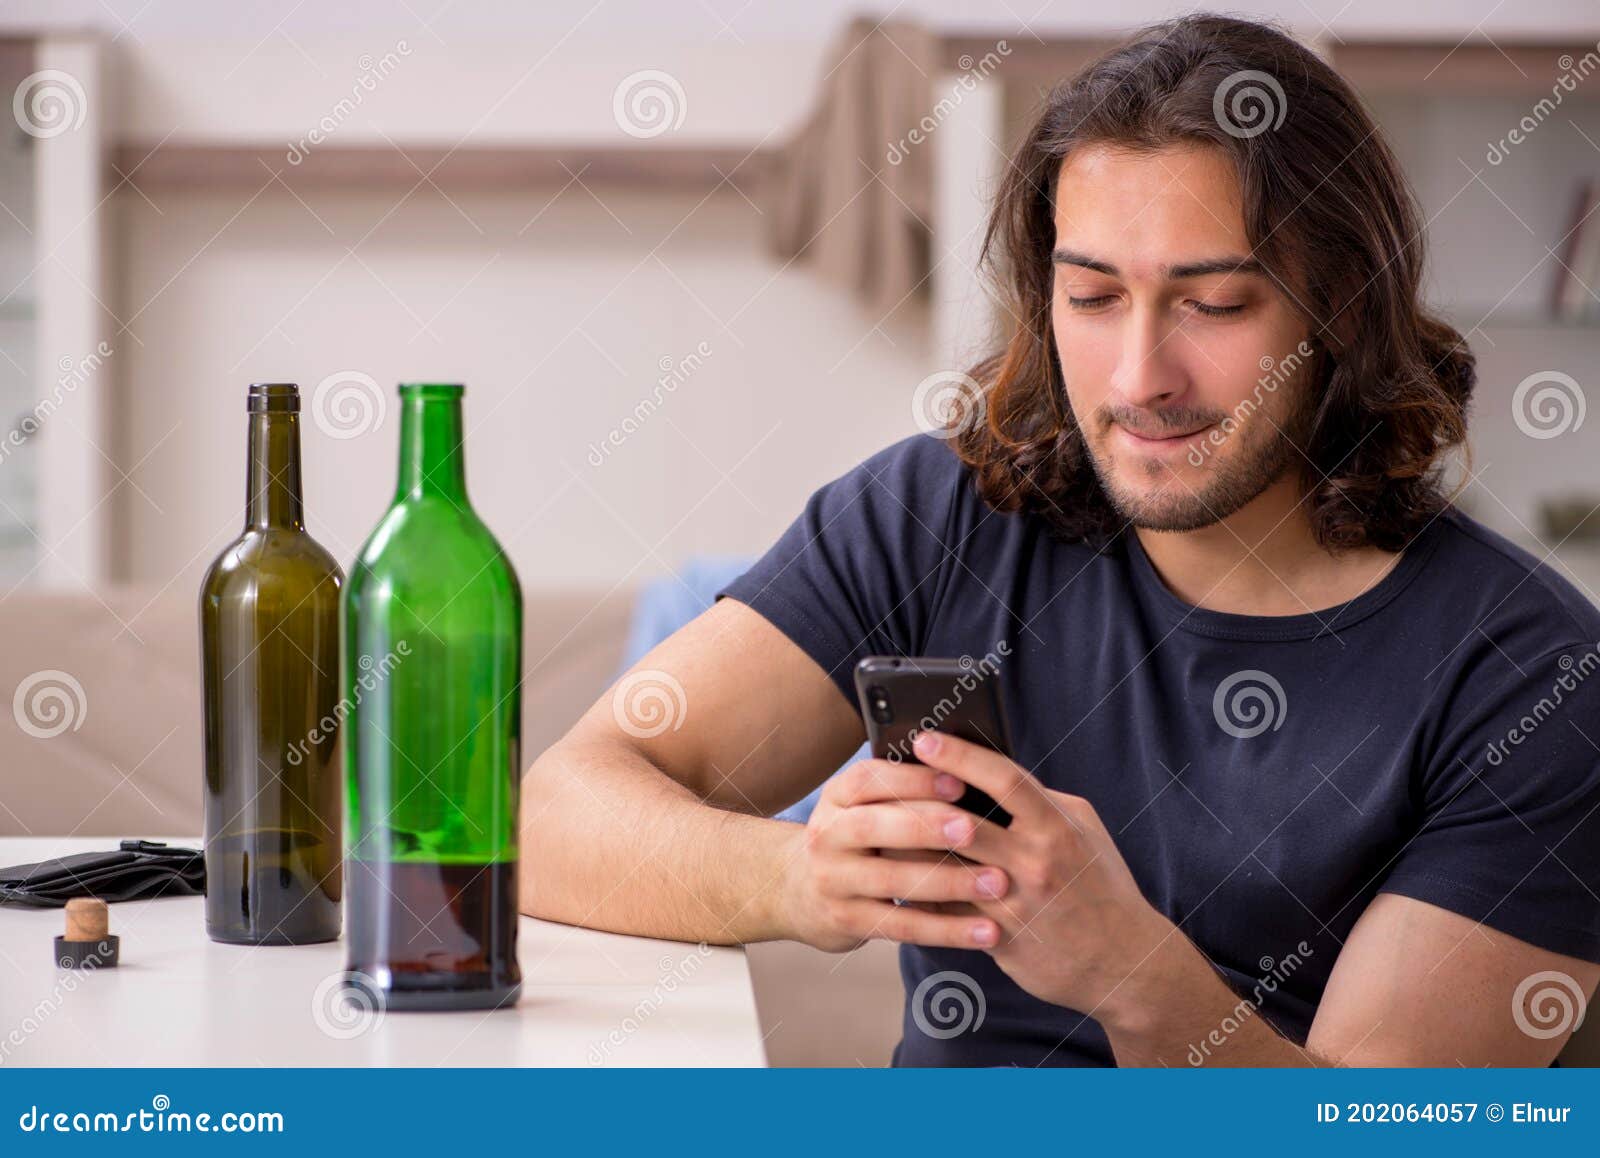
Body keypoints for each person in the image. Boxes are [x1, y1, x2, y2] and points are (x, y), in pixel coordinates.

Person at [520, 13, 1600, 1066]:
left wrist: (1130, 974)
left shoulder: (1530, 677)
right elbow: (562, 812)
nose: (1139, 380)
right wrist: (802, 879)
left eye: (1214, 305)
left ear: (1342, 313)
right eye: (1090, 297)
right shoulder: (938, 515)